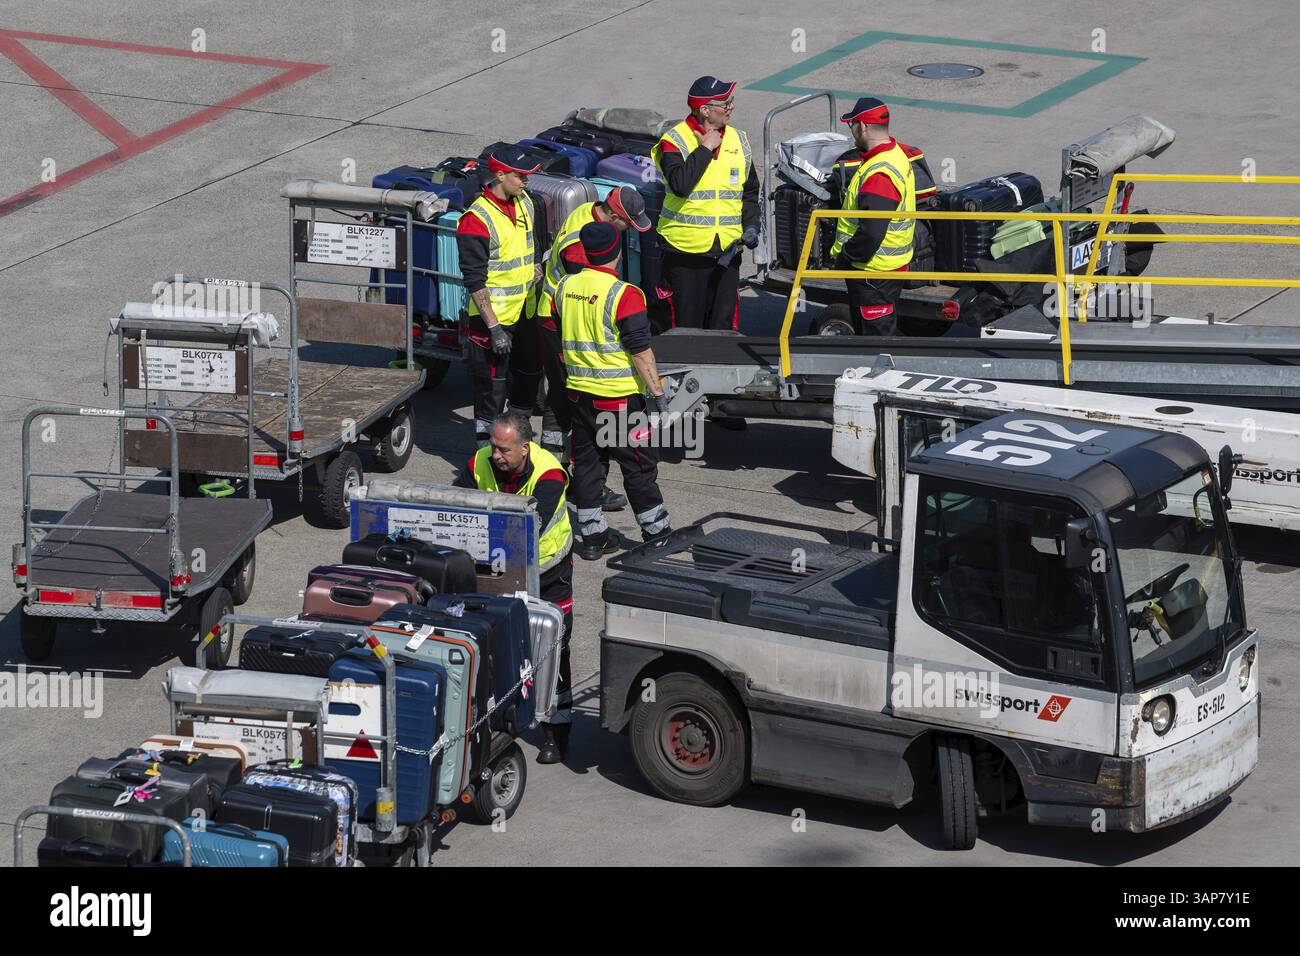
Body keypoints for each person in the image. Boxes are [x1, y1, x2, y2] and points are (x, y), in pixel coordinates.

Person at [546, 221, 671, 558]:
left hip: (579, 396)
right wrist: (658, 396)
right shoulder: (625, 295)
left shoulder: (564, 287)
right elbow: (641, 352)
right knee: (639, 466)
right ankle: (656, 533)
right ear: (617, 252)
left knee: (588, 466)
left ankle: (593, 538)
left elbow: (559, 330)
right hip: (617, 400)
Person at [458, 412, 575, 763]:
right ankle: (500, 719)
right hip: (497, 571)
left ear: (525, 448)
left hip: (549, 572)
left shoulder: (549, 473)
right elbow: (457, 506)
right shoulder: (479, 462)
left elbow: (527, 531)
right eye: (494, 446)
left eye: (504, 450)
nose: (496, 456)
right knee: (495, 645)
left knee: (554, 649)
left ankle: (557, 730)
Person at [535, 187, 654, 514]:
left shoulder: (588, 213)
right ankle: (561, 477)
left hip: (567, 314)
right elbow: (586, 292)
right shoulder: (578, 247)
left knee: (564, 400)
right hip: (559, 320)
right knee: (567, 400)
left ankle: (566, 474)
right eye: (628, 223)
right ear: (614, 215)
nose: (629, 229)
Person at [652, 75, 759, 331]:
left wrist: (752, 225)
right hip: (685, 254)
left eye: (730, 101)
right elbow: (680, 184)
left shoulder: (739, 139)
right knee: (686, 327)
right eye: (725, 103)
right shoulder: (674, 141)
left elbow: (750, 191)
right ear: (705, 110)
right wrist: (705, 149)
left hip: (727, 251)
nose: (731, 107)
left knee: (722, 327)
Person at [456, 146, 546, 446]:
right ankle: (486, 448)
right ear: (499, 175)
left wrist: (534, 267)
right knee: (491, 388)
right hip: (493, 320)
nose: (526, 182)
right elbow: (474, 280)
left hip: (525, 311)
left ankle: (515, 436)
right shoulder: (475, 220)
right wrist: (494, 328)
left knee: (529, 373)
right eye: (520, 176)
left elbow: (531, 241)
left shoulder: (526, 203)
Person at [828, 97, 916, 336]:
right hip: (885, 270)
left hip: (872, 272)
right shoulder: (896, 153)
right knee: (879, 333)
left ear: (863, 126)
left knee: (874, 341)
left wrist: (845, 257)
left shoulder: (879, 174)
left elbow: (872, 232)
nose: (853, 131)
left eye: (852, 125)